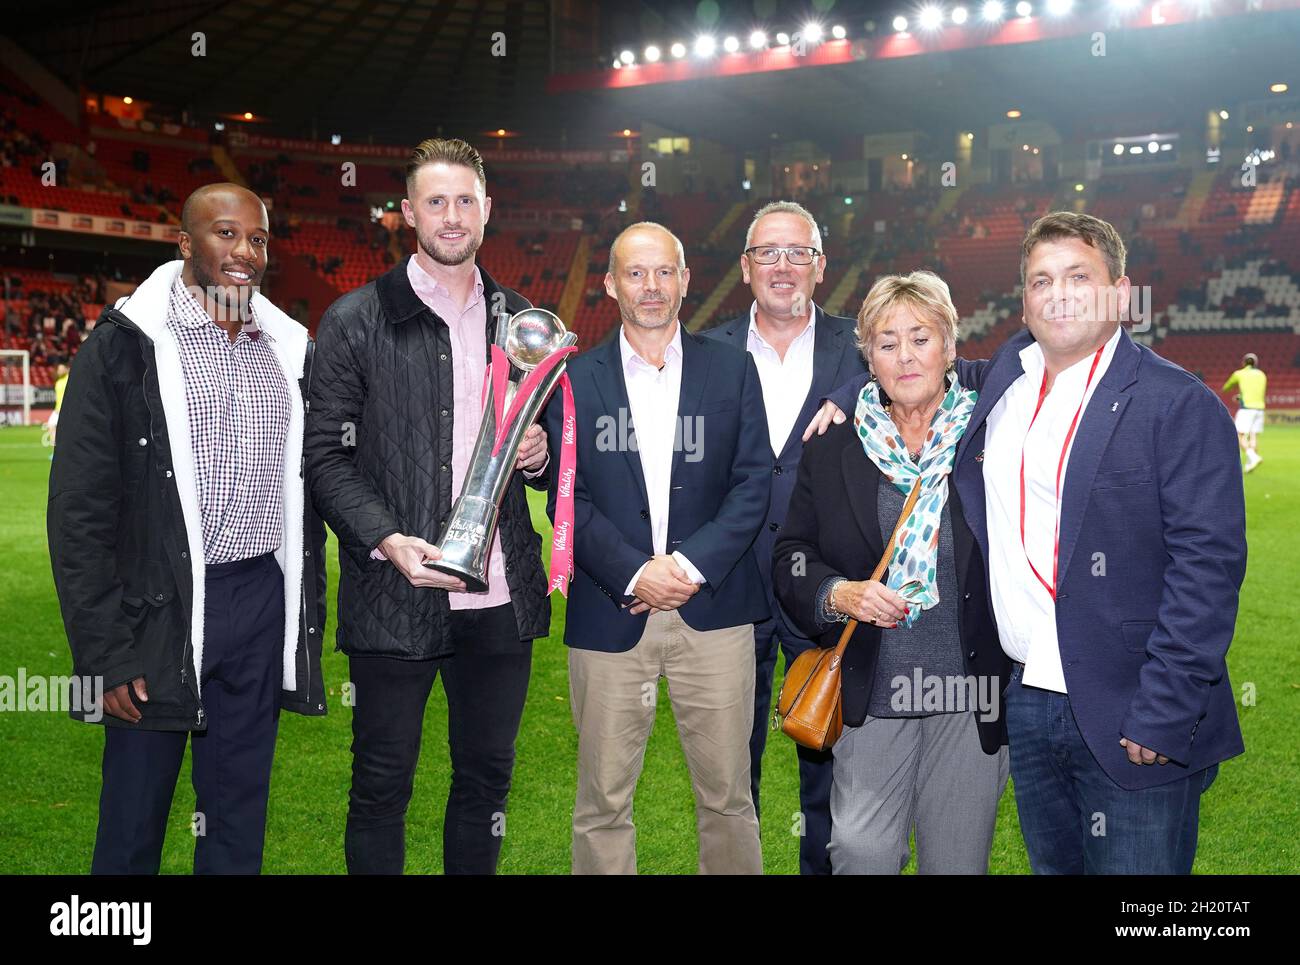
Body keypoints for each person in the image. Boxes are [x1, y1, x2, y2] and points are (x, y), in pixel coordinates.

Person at [810, 212, 1246, 874]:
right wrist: (850, 391)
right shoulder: (1004, 382)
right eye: (1042, 280)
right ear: (1025, 301)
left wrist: (1166, 709)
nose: (1059, 293)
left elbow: (1207, 572)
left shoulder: (1177, 404)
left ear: (1120, 293)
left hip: (1131, 706)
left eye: (1079, 276)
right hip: (1027, 701)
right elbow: (914, 367)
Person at [48, 182, 327, 874]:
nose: (245, 253)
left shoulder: (289, 348)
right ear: (184, 243)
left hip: (258, 599)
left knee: (236, 820)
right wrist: (105, 653)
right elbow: (77, 512)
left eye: (258, 238)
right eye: (225, 234)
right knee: (131, 826)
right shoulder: (123, 345)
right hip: (156, 608)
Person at [305, 138, 551, 875]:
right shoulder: (356, 318)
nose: (452, 215)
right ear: (407, 212)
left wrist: (538, 456)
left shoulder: (523, 323)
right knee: (381, 787)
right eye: (435, 201)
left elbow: (553, 453)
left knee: (485, 784)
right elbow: (324, 456)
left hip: (499, 598)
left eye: (466, 200)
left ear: (487, 209)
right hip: (394, 592)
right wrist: (387, 538)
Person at [545, 222, 770, 875]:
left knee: (728, 797)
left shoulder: (732, 369)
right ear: (610, 283)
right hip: (610, 612)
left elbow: (752, 483)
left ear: (685, 279)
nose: (652, 286)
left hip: (716, 610)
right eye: (636, 273)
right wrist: (635, 571)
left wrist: (688, 566)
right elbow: (570, 497)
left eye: (664, 271)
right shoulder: (573, 380)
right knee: (603, 801)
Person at [773, 271, 1009, 874]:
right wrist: (839, 592)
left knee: (956, 863)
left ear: (951, 345)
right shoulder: (833, 443)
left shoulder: (991, 432)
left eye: (921, 338)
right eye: (886, 342)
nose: (905, 356)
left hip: (968, 688)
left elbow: (1039, 351)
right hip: (873, 687)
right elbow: (792, 552)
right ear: (867, 357)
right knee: (860, 852)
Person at [701, 200, 866, 874]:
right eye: (768, 252)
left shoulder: (864, 344)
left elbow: (935, 378)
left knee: (828, 754)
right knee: (728, 768)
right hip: (729, 581)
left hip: (823, 581)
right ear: (745, 267)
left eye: (798, 252)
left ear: (821, 267)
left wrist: (858, 391)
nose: (783, 265)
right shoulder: (702, 351)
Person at [1223, 352, 1266, 472]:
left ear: (1243, 363)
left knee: (1240, 435)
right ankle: (1250, 464)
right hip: (1259, 408)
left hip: (1246, 409)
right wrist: (1241, 396)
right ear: (1256, 363)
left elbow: (1226, 387)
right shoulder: (1262, 374)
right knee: (1253, 435)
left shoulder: (1239, 374)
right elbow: (1256, 391)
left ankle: (1253, 457)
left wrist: (1237, 394)